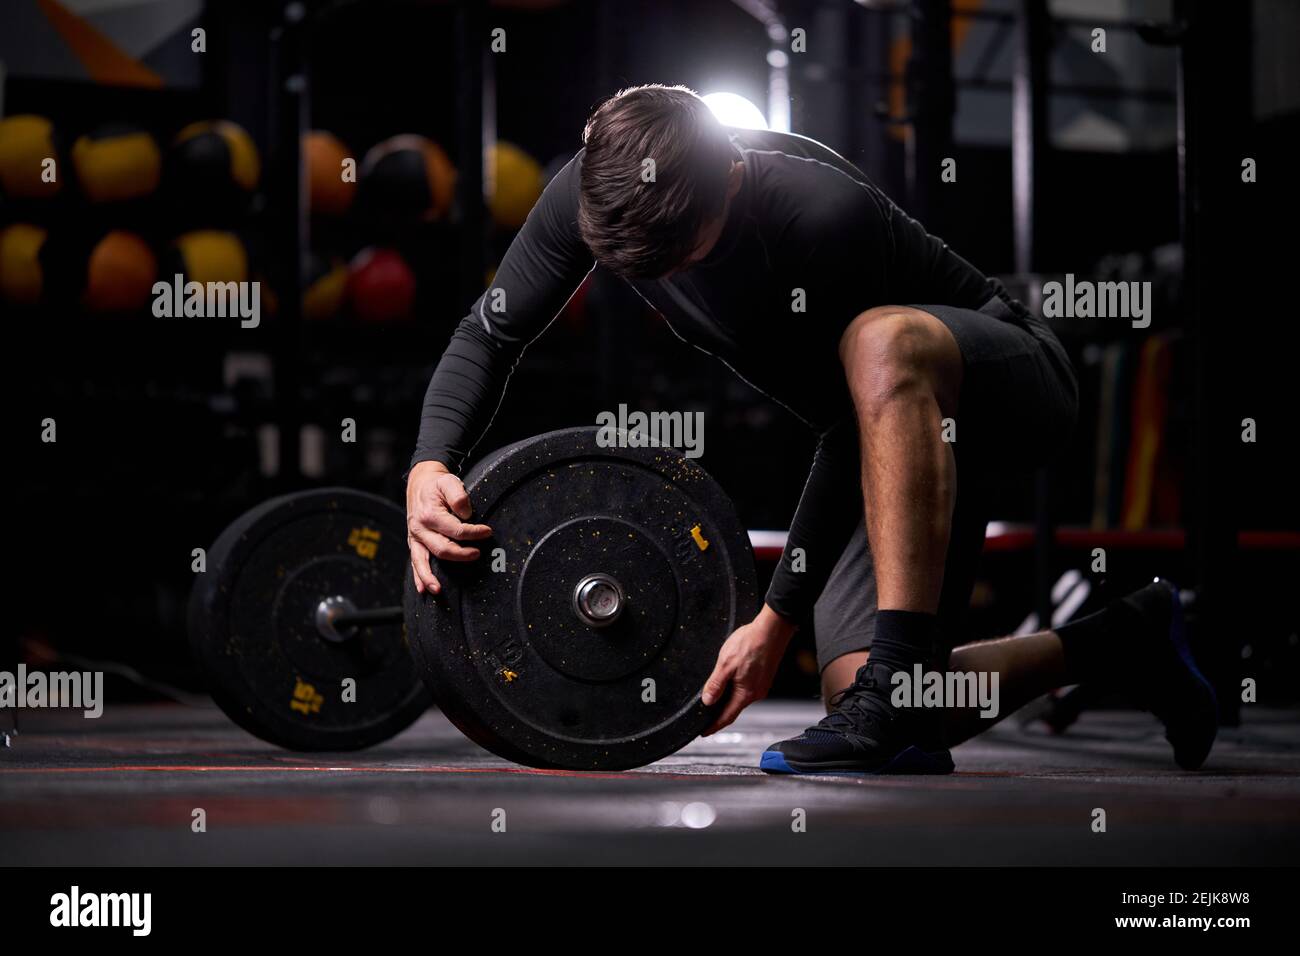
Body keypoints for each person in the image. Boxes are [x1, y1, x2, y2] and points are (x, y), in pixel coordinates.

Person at [405, 84, 1217, 774]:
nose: (666, 281)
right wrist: (429, 464)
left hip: (1010, 390)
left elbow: (846, 424)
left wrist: (774, 619)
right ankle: (1126, 636)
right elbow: (489, 333)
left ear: (730, 175)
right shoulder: (593, 189)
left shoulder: (818, 212)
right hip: (889, 449)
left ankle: (895, 683)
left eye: (681, 258)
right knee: (881, 705)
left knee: (881, 340)